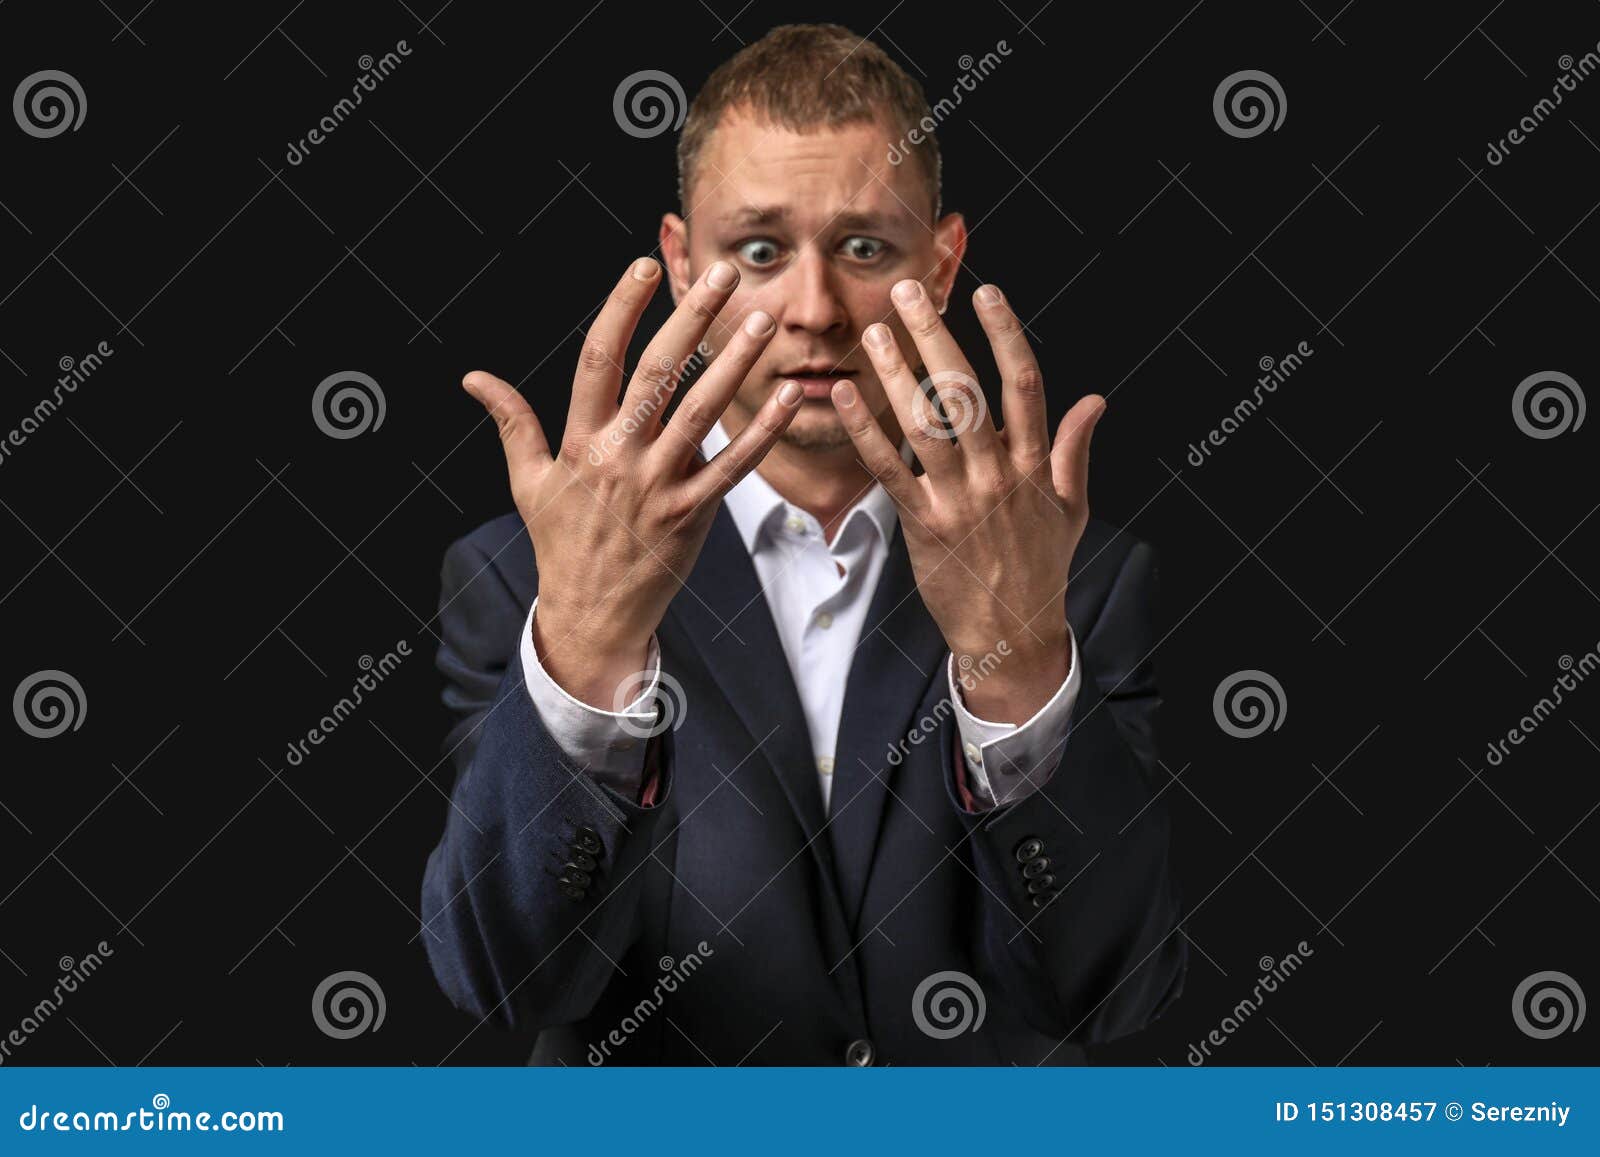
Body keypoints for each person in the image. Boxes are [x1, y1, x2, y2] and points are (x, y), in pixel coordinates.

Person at [420, 22, 1184, 1065]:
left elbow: (1110, 989)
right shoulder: (521, 575)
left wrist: (1019, 664)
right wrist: (587, 653)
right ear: (685, 261)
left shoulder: (1083, 579)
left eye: (865, 247)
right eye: (760, 251)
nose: (814, 310)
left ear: (944, 260)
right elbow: (503, 978)